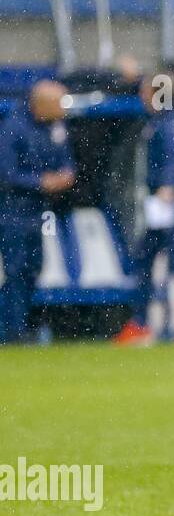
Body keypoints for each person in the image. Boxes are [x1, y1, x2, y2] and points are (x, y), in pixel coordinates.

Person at [112, 74, 174, 346]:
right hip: (170, 205)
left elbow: (173, 155)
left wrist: (167, 185)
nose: (142, 98)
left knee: (171, 262)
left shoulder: (168, 123)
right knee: (152, 261)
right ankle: (146, 322)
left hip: (171, 205)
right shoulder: (165, 120)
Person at [0, 81, 74, 344]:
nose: (64, 110)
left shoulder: (55, 128)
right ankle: (12, 330)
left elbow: (65, 161)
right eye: (59, 103)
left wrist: (64, 175)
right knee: (16, 269)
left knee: (33, 268)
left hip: (39, 213)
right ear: (41, 104)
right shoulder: (13, 128)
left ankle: (21, 327)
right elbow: (6, 175)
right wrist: (41, 182)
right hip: (12, 213)